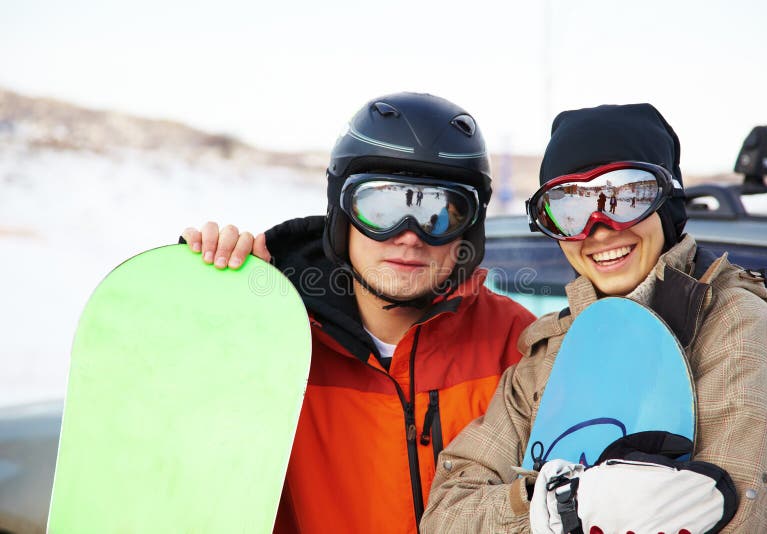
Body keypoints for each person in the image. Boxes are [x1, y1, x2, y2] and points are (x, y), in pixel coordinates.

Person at [421, 103, 767, 532]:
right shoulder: (554, 353)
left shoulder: (733, 328)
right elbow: (447, 513)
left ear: (667, 200)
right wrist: (557, 502)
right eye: (570, 209)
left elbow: (740, 515)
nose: (599, 228)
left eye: (625, 198)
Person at [182, 93, 536, 533]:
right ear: (342, 214)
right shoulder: (276, 339)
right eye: (381, 207)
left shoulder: (520, 346)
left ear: (471, 228)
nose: (409, 237)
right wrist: (203, 308)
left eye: (440, 213)